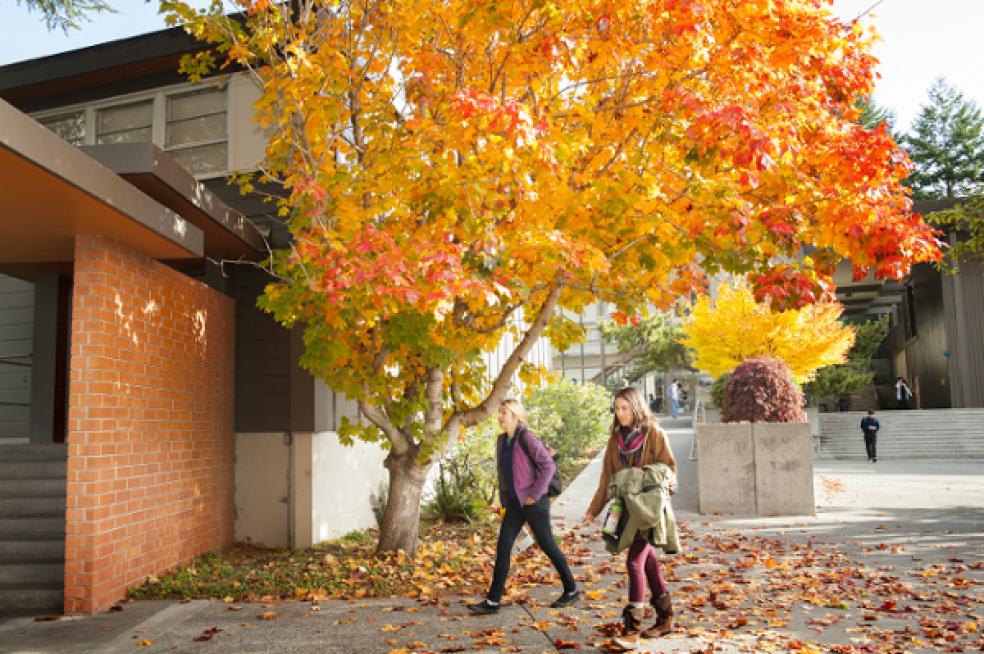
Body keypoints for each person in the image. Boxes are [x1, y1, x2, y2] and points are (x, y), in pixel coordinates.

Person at [583, 387, 678, 647]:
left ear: (636, 407)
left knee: (634, 562)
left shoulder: (654, 433)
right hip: (627, 509)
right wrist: (593, 509)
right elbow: (607, 478)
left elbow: (669, 469)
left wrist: (652, 488)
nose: (620, 413)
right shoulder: (615, 440)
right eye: (617, 408)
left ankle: (632, 629)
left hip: (649, 510)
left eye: (624, 408)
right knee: (649, 563)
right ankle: (666, 617)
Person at [467, 399, 579, 615]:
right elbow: (505, 474)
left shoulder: (527, 438)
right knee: (503, 547)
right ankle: (493, 601)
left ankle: (571, 589)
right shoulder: (502, 441)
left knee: (547, 545)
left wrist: (534, 495)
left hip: (534, 503)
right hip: (515, 504)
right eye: (500, 412)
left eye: (504, 413)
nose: (500, 417)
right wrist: (504, 500)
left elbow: (548, 466)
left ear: (516, 416)